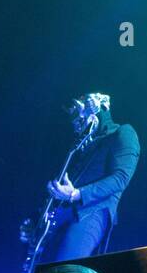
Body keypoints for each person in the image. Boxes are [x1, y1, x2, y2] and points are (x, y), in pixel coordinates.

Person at [41, 92, 141, 263]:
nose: (77, 123)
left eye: (82, 112)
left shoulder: (123, 132)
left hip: (91, 212)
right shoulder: (82, 145)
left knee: (62, 271)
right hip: (61, 216)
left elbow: (120, 178)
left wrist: (75, 194)